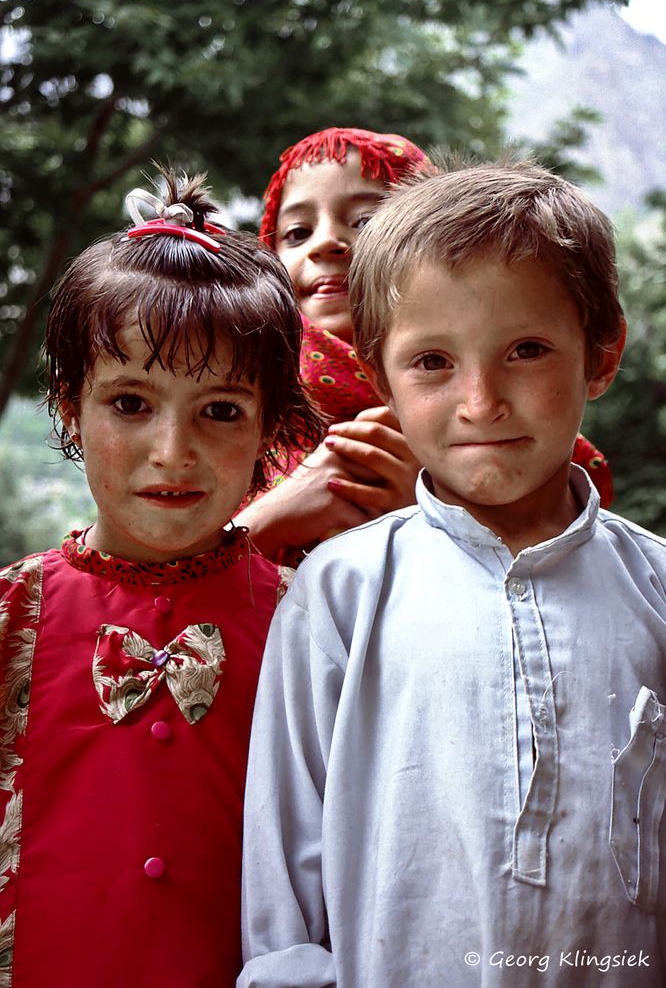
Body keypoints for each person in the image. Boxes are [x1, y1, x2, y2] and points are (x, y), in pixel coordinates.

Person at [238, 159, 666, 987]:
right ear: (379, 372)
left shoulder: (654, 588)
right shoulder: (340, 591)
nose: (480, 402)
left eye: (527, 350)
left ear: (601, 356)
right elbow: (284, 889)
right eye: (432, 361)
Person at [0, 168, 321, 987]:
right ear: (70, 406)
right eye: (131, 403)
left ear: (272, 429)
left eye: (220, 410)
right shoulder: (10, 618)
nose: (172, 452)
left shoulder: (314, 631)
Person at [240, 127, 614, 565]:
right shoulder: (228, 401)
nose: (325, 242)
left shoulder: (535, 443)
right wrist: (268, 520)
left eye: (364, 221)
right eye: (297, 232)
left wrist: (436, 511)